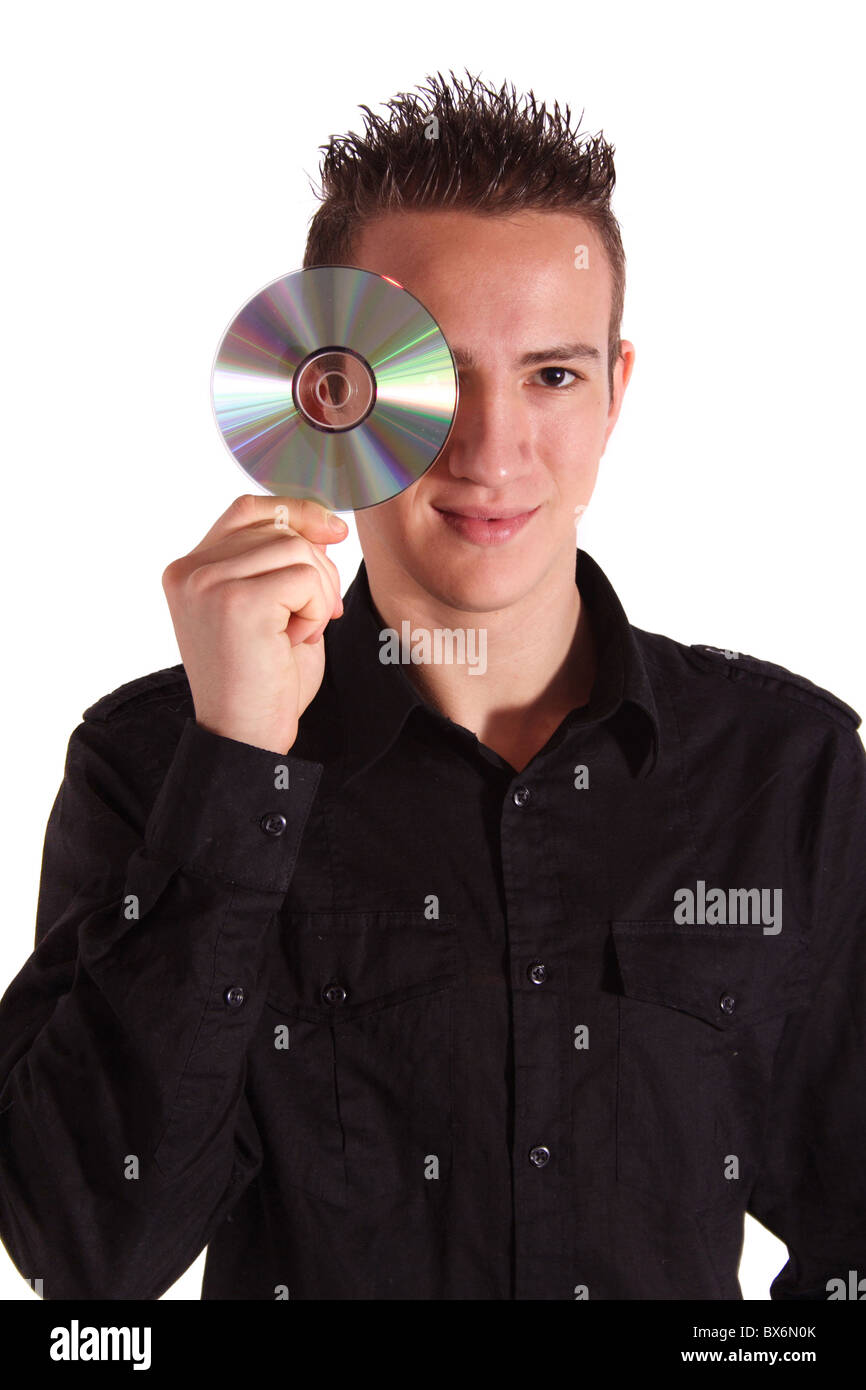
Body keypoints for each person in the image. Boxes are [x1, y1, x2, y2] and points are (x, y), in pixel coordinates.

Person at [0, 70, 863, 1302]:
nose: (489, 451)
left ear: (617, 393)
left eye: (551, 376)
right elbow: (90, 1257)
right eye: (432, 375)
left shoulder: (783, 767)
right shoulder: (161, 763)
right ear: (327, 393)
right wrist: (240, 760)